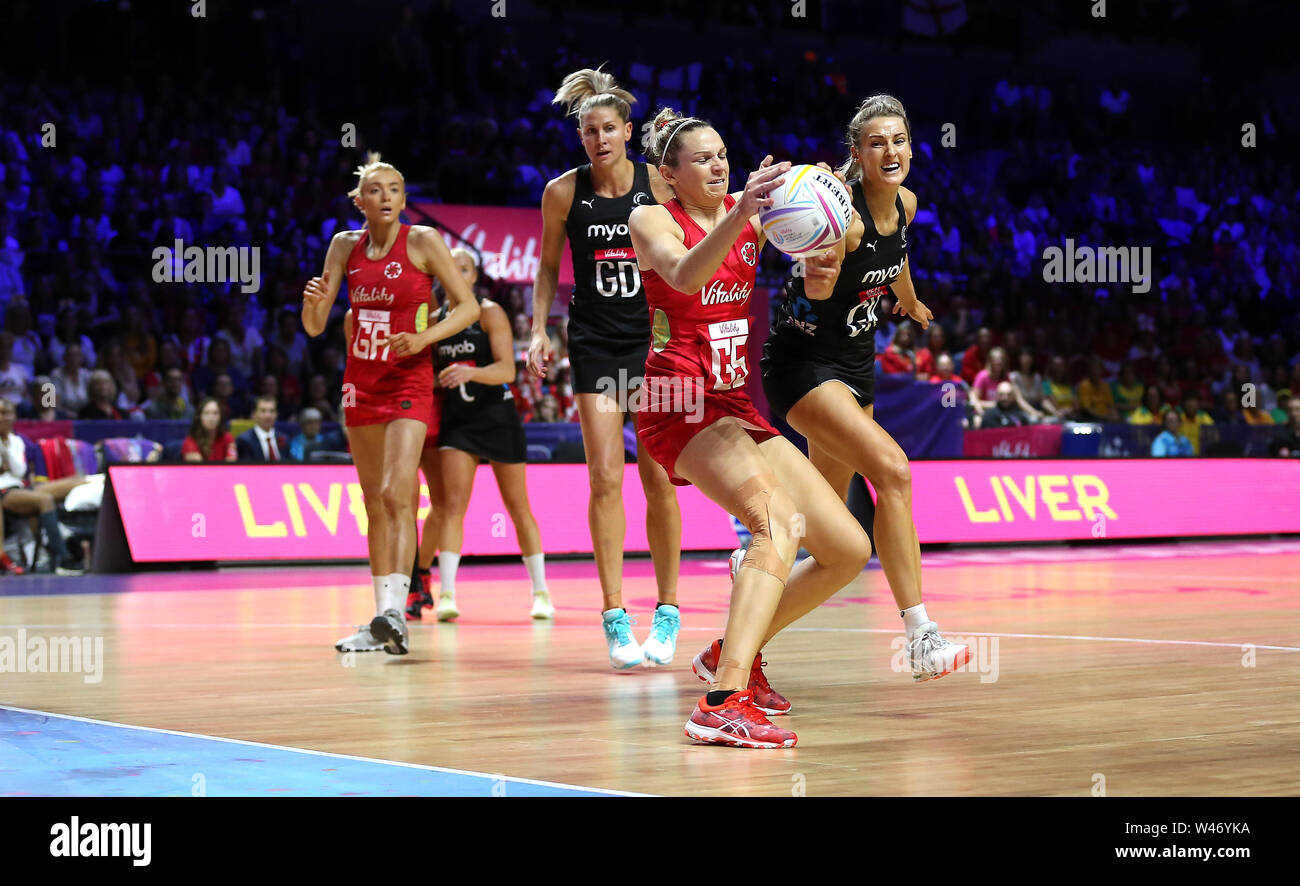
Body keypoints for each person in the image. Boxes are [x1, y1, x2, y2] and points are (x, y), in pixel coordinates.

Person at [630, 108, 873, 748]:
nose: (717, 165)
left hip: (733, 402)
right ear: (668, 176)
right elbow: (684, 274)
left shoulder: (758, 206)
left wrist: (829, 226)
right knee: (775, 522)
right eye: (701, 159)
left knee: (848, 547)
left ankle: (731, 650)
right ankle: (721, 699)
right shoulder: (652, 219)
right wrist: (744, 215)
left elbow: (838, 231)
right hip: (675, 399)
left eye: (722, 154)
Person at [760, 94, 968, 685]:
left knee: (824, 536)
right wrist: (820, 273)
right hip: (801, 365)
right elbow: (808, 300)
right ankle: (921, 635)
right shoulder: (838, 216)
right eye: (876, 142)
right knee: (893, 471)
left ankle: (734, 641)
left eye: (899, 140)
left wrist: (905, 296)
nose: (891, 150)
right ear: (857, 152)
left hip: (855, 368)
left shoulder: (905, 202)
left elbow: (896, 252)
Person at [529, 67, 683, 670]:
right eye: (589, 130)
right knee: (603, 477)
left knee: (661, 477)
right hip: (595, 341)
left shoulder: (658, 184)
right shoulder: (562, 193)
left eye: (609, 128)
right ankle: (616, 616)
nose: (599, 138)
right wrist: (538, 329)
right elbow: (546, 269)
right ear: (582, 137)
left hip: (656, 341)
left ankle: (667, 613)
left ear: (627, 130)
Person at [302, 153, 478, 656]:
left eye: (395, 189)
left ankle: (396, 611)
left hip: (409, 379)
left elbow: (465, 306)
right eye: (375, 190)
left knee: (396, 492)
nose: (386, 197)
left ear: (403, 199)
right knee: (374, 504)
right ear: (358, 201)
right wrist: (313, 301)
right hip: (361, 382)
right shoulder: (343, 247)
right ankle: (380, 617)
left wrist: (424, 338)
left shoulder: (422, 241)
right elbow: (315, 326)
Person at [430, 248, 553, 622]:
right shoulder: (435, 320)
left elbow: (506, 372)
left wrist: (469, 374)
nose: (456, 272)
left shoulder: (488, 312)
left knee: (518, 508)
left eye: (464, 268)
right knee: (452, 507)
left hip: (497, 418)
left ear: (474, 276)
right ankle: (446, 594)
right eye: (450, 267)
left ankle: (541, 593)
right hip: (457, 423)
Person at [0, 399, 86, 574]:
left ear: (14, 416)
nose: (4, 418)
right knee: (45, 499)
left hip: (18, 487)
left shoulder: (17, 440)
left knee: (78, 480)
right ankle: (63, 558)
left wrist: (6, 447)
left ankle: (70, 534)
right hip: (3, 491)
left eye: (7, 413)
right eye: (0, 414)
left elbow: (18, 469)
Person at [236, 396, 291, 463]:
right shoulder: (244, 441)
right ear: (254, 414)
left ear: (276, 414)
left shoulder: (285, 439)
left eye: (272, 411)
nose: (268, 415)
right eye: (263, 411)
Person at [182, 397, 237, 462]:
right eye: (207, 413)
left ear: (220, 417)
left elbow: (231, 465)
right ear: (199, 417)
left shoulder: (228, 438)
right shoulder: (190, 441)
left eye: (215, 413)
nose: (211, 418)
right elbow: (199, 469)